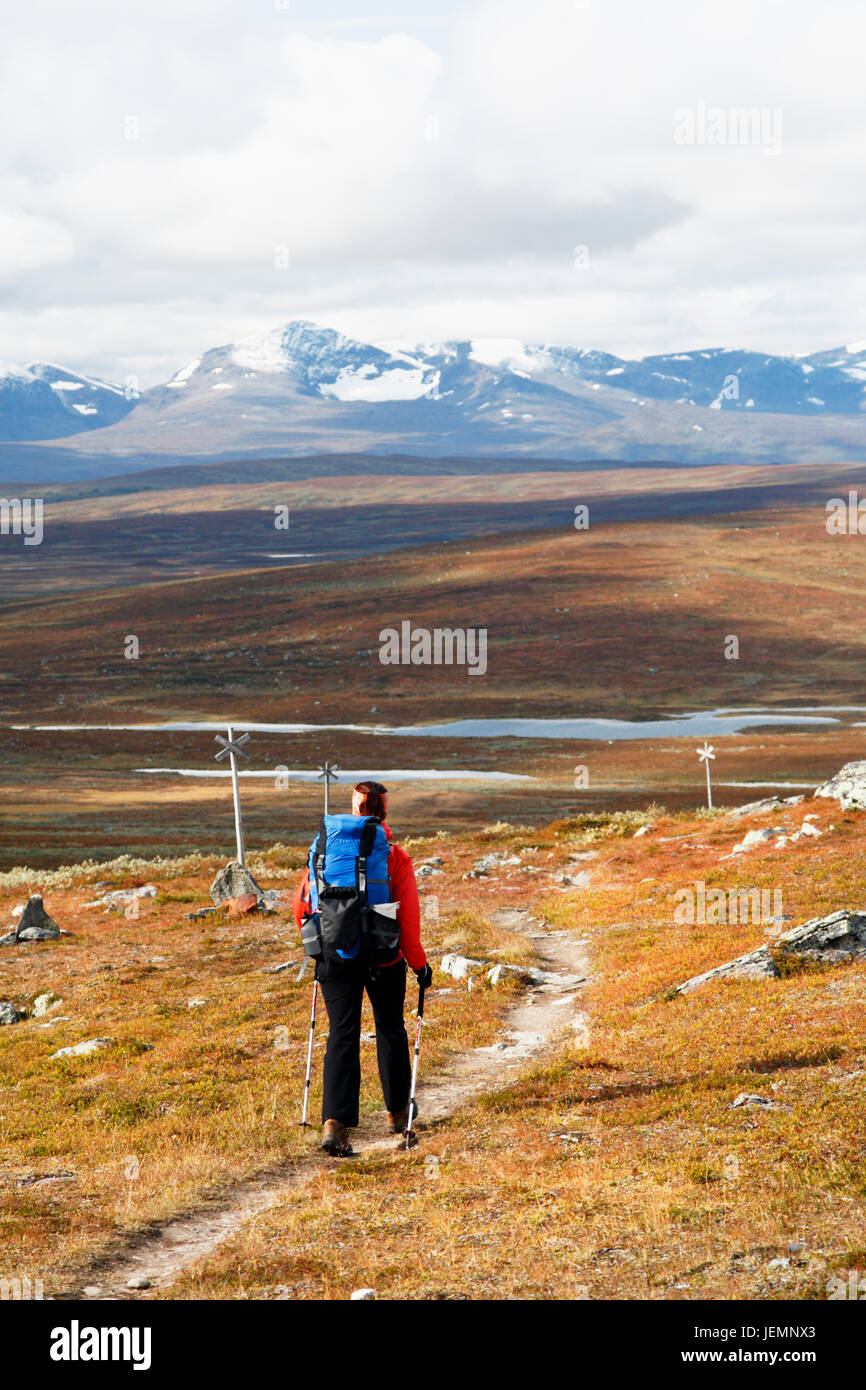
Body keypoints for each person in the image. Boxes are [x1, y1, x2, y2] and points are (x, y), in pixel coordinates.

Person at [293, 780, 432, 1157]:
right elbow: (409, 923)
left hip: (334, 954)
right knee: (390, 1030)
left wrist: (317, 949)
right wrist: (419, 965)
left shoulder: (323, 848)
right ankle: (398, 1115)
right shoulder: (394, 856)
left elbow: (302, 903)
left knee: (341, 1034)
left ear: (354, 809)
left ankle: (334, 1127)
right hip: (383, 957)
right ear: (384, 812)